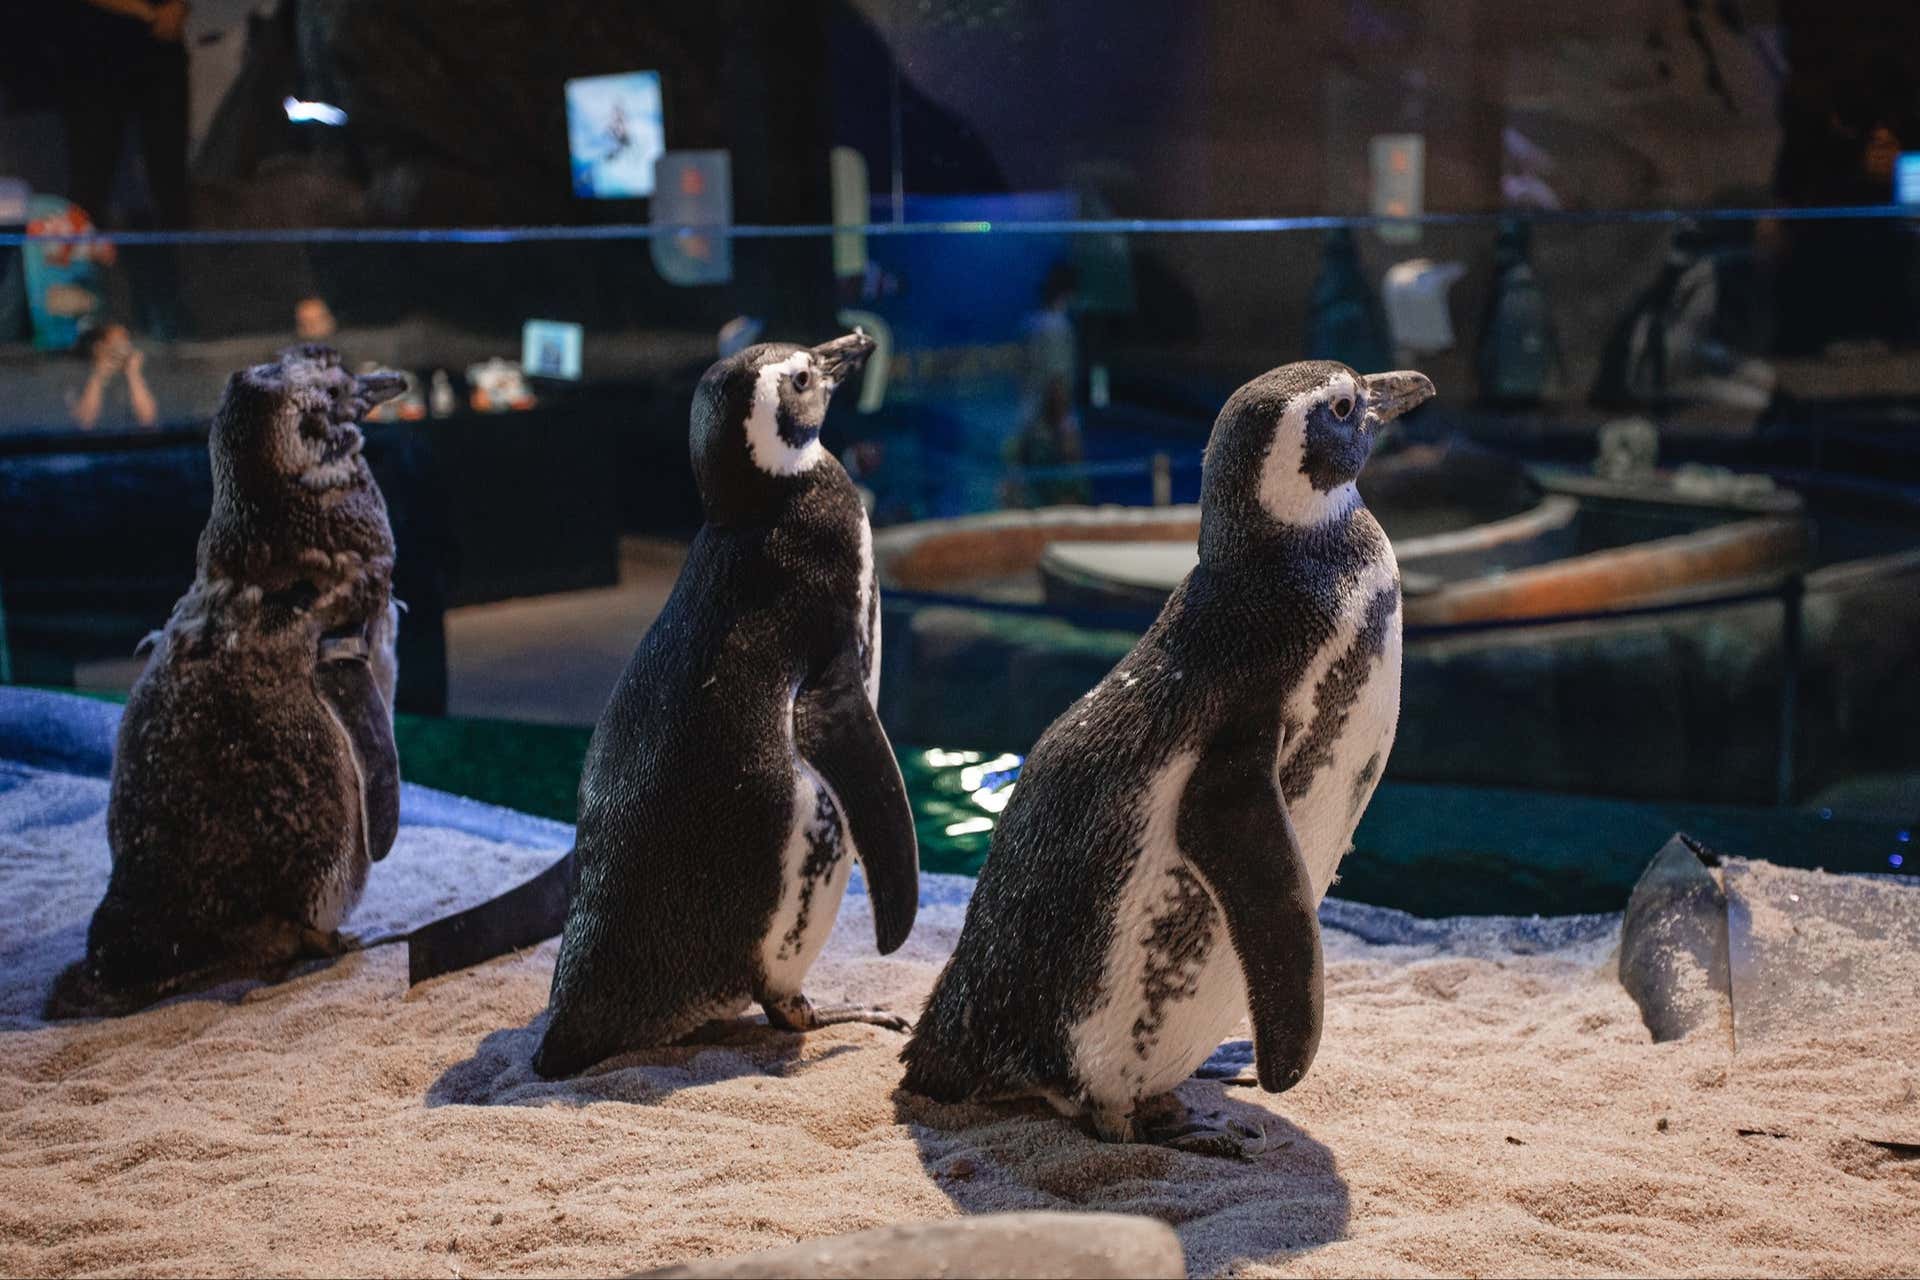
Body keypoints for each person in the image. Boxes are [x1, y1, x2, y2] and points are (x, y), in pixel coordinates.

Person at [61, 0, 192, 338]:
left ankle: (173, 313)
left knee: (165, 186)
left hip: (159, 51)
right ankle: (90, 317)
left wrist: (176, 7)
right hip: (95, 50)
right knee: (92, 188)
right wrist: (144, 12)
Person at [69, 322, 159, 430]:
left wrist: (133, 375)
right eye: (117, 344)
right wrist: (98, 377)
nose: (124, 350)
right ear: (99, 348)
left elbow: (148, 419)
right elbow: (85, 422)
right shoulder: (78, 379)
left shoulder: (137, 377)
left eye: (127, 343)